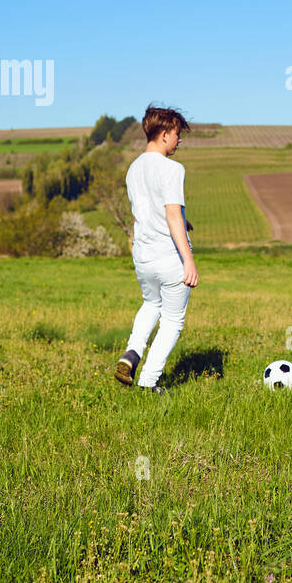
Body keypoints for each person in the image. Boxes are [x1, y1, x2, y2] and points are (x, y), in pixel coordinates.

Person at [115, 105, 198, 394]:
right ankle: (149, 383)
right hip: (168, 257)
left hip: (143, 256)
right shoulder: (173, 169)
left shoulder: (133, 168)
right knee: (173, 321)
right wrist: (188, 260)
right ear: (164, 134)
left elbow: (147, 212)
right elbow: (171, 213)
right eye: (177, 134)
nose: (179, 140)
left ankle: (132, 353)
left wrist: (184, 222)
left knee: (151, 304)